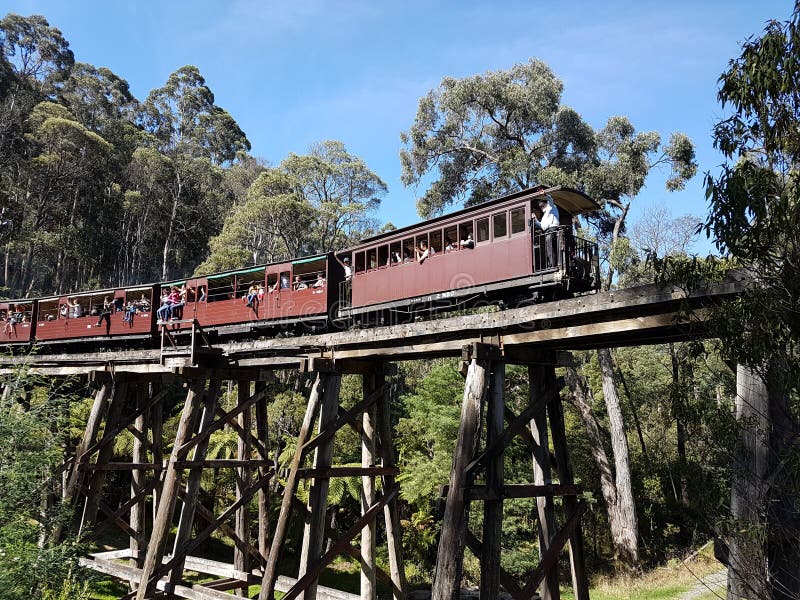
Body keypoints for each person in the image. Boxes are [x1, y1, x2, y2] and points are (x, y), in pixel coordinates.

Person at [534, 195, 560, 267]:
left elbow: (550, 199)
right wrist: (535, 220)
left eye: (542, 205)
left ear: (546, 203)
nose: (541, 207)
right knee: (549, 250)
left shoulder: (551, 207)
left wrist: (545, 194)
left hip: (552, 230)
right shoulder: (544, 216)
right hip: (547, 232)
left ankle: (553, 265)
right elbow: (542, 226)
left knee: (551, 249)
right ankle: (552, 264)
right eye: (540, 207)